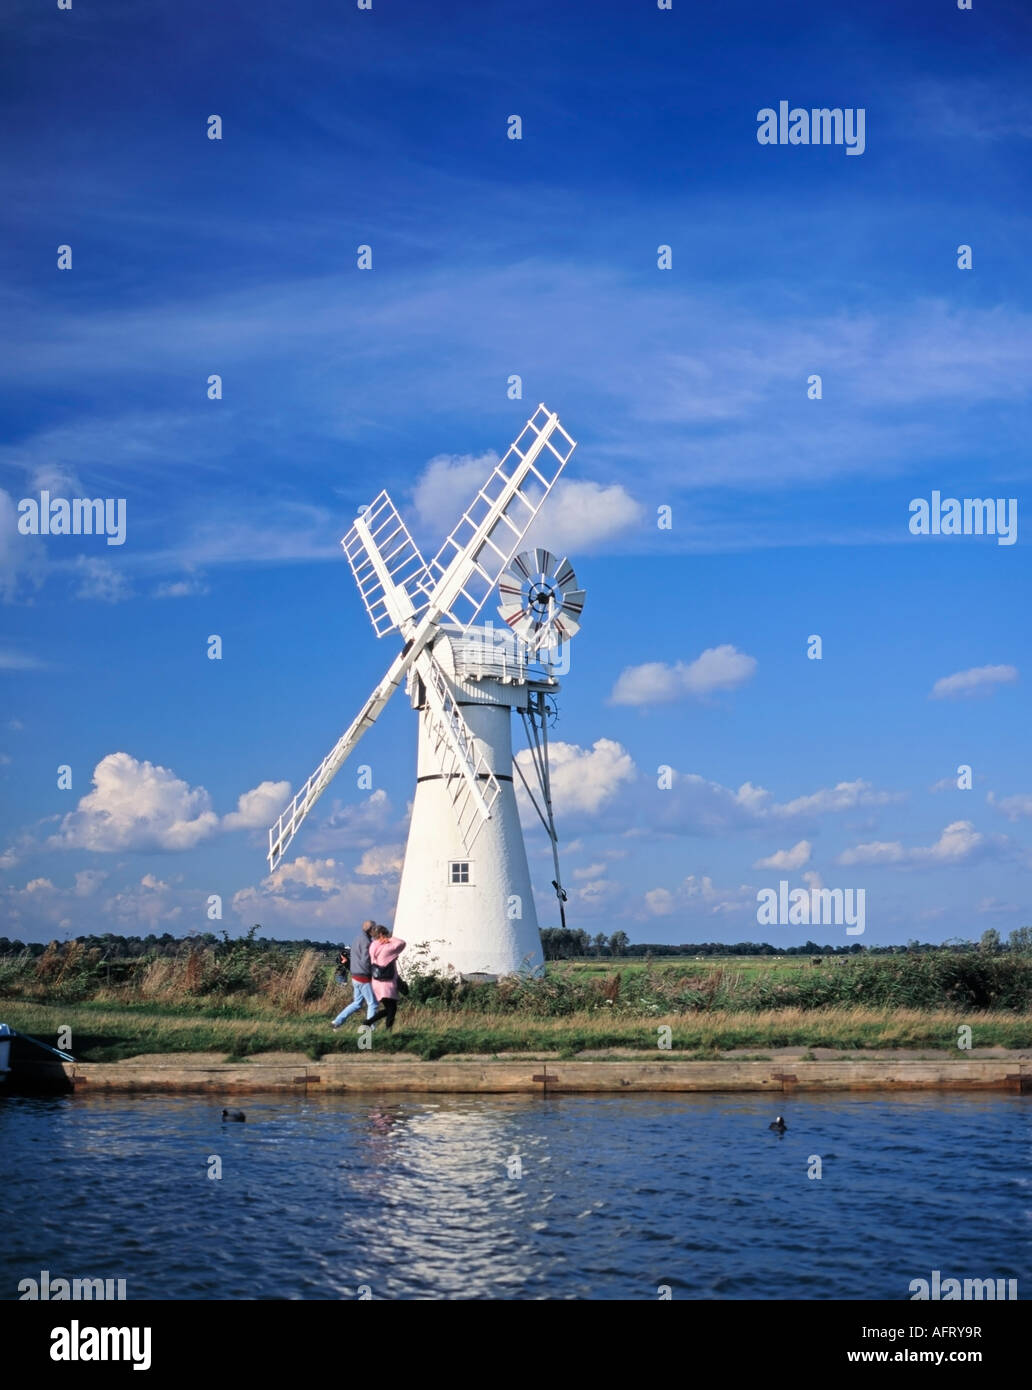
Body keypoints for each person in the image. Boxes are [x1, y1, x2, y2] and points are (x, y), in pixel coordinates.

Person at [331, 920, 378, 1029]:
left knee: (357, 1003)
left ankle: (337, 1022)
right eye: (375, 929)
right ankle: (371, 1029)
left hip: (355, 976)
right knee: (373, 1003)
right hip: (363, 976)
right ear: (371, 930)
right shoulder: (367, 942)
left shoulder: (357, 939)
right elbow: (366, 961)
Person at [367, 924, 406, 1031]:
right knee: (392, 1008)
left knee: (390, 1008)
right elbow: (402, 943)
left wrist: (383, 940)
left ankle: (372, 1023)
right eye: (386, 934)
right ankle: (370, 1023)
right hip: (387, 982)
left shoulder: (373, 945)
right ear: (381, 934)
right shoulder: (388, 948)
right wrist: (390, 938)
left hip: (376, 982)